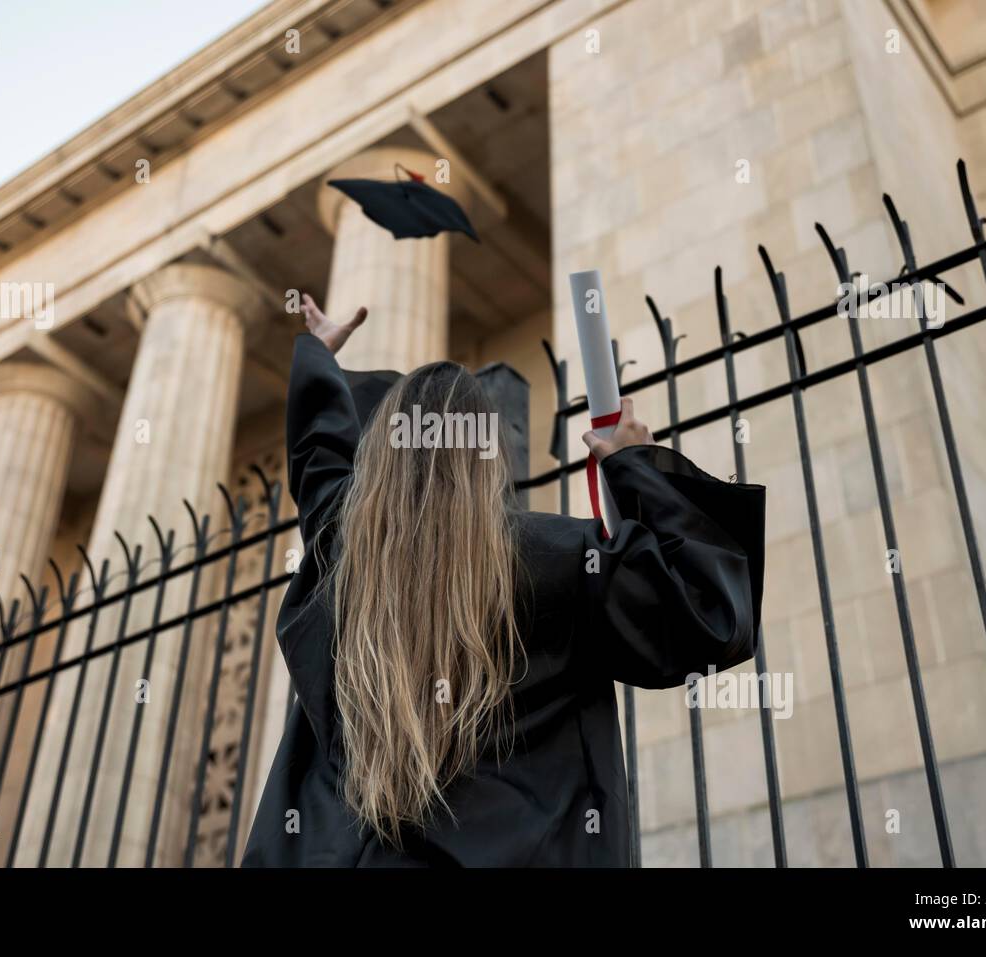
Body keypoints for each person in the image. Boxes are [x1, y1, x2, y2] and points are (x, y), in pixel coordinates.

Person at [240, 295, 765, 867]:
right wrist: (636, 465)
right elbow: (708, 612)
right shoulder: (557, 559)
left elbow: (319, 458)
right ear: (485, 456)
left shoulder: (341, 555)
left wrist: (317, 355)